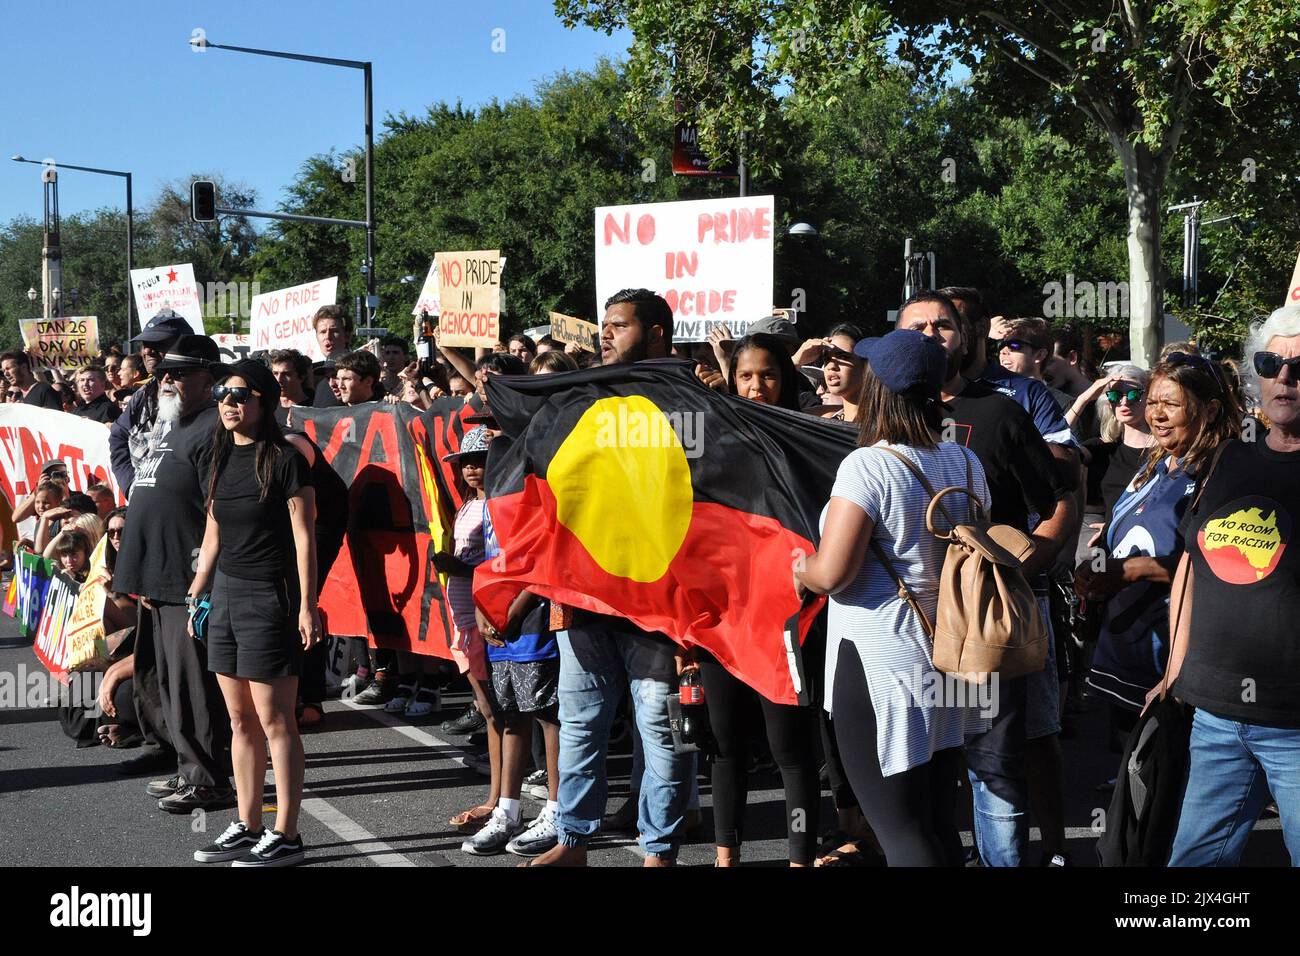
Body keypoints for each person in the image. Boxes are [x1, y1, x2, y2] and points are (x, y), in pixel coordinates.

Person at [796, 329, 992, 865]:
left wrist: (800, 567)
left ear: (879, 387)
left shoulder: (868, 465)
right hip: (952, 651)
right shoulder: (965, 461)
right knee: (936, 823)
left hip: (882, 658)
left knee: (898, 829)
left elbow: (833, 573)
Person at [899, 290, 1076, 866]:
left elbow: (1061, 496)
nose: (930, 336)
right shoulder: (878, 419)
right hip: (904, 624)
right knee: (925, 762)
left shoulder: (999, 412)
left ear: (967, 335)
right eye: (916, 327)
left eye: (942, 326)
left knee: (997, 762)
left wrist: (1027, 564)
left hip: (983, 618)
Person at [525, 289, 695, 868]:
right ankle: (572, 843)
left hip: (661, 608)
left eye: (618, 326)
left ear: (655, 333)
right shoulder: (586, 394)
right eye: (604, 325)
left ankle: (660, 853)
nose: (605, 335)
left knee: (663, 734)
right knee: (581, 728)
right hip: (586, 597)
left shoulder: (690, 399)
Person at [1161, 306, 1300, 865]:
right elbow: (1194, 565)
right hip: (1215, 713)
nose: (1285, 377)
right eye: (1272, 363)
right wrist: (1174, 667)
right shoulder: (1229, 458)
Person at [187, 360, 319, 867]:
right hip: (225, 596)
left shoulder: (286, 458)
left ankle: (286, 833)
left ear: (263, 400)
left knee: (275, 720)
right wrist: (197, 590)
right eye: (222, 393)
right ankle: (247, 824)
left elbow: (304, 535)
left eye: (240, 394)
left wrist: (307, 606)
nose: (228, 402)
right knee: (239, 720)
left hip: (271, 596)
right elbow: (214, 531)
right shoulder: (217, 455)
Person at [706, 333, 822, 866]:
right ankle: (725, 857)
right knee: (725, 746)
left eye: (768, 375)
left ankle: (800, 859)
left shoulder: (811, 439)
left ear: (787, 378)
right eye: (745, 376)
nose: (756, 386)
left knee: (790, 751)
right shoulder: (709, 439)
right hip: (721, 617)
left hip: (786, 617)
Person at [1077, 353, 1235, 738]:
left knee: (1175, 774)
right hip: (1128, 646)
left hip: (1176, 657)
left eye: (1172, 404)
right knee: (1138, 774)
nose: (1157, 415)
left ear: (1210, 410)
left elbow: (1218, 565)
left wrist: (1131, 570)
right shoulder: (1157, 463)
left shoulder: (1223, 470)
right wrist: (1099, 562)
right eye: (1153, 402)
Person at [111, 334, 235, 810]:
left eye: (179, 372)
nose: (167, 379)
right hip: (154, 574)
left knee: (191, 683)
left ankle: (210, 778)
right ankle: (188, 768)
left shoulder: (212, 427)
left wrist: (201, 577)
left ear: (209, 377)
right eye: (165, 372)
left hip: (185, 576)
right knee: (164, 681)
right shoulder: (171, 422)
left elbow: (215, 509)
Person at [435, 427, 504, 834]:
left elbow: (500, 562)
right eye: (467, 462)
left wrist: (458, 568)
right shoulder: (466, 506)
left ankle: (498, 796)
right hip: (463, 620)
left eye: (482, 460)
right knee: (488, 710)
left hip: (486, 619)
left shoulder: (497, 506)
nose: (473, 469)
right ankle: (497, 794)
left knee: (496, 712)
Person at [108, 310, 192, 497]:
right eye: (146, 344)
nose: (147, 351)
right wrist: (131, 485)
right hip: (142, 504)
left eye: (158, 344)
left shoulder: (199, 394)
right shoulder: (142, 395)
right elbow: (118, 436)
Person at [311, 305, 354, 408]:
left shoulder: (361, 372)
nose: (327, 337)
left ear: (347, 336)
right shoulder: (320, 384)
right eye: (322, 332)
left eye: (334, 331)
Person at [268, 349, 313, 418]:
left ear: (301, 377)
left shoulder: (315, 407)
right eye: (275, 373)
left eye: (286, 374)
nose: (279, 380)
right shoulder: (267, 407)